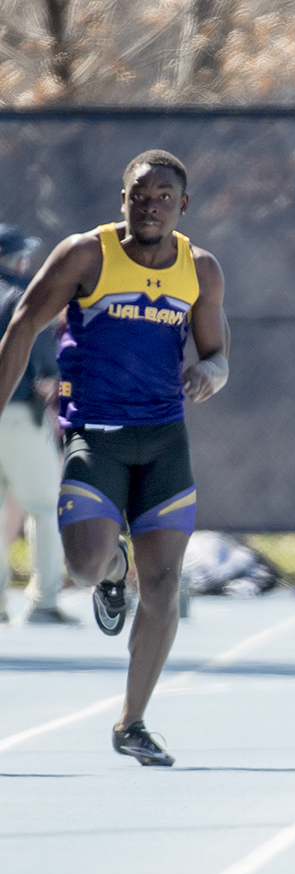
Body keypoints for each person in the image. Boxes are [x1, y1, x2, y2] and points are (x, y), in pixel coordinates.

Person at [0, 150, 229, 765]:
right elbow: (22, 326)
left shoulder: (200, 269)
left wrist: (209, 373)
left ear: (183, 206)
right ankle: (111, 571)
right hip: (93, 435)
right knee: (82, 565)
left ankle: (133, 721)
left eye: (162, 195)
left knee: (165, 587)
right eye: (139, 193)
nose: (149, 203)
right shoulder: (86, 255)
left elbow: (217, 354)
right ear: (121, 198)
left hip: (163, 442)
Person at [0, 224, 73, 625]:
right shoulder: (21, 295)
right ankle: (44, 601)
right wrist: (50, 379)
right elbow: (43, 360)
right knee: (46, 508)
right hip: (16, 413)